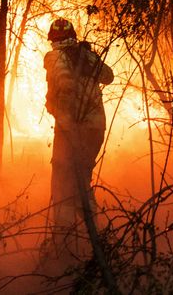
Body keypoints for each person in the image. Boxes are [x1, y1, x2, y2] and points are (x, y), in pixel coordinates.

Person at [43, 17, 113, 252]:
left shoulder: (54, 57)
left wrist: (58, 109)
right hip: (95, 128)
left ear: (53, 40)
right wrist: (88, 59)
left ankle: (62, 245)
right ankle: (96, 239)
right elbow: (108, 76)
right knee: (82, 180)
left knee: (62, 183)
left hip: (69, 129)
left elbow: (63, 83)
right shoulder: (86, 56)